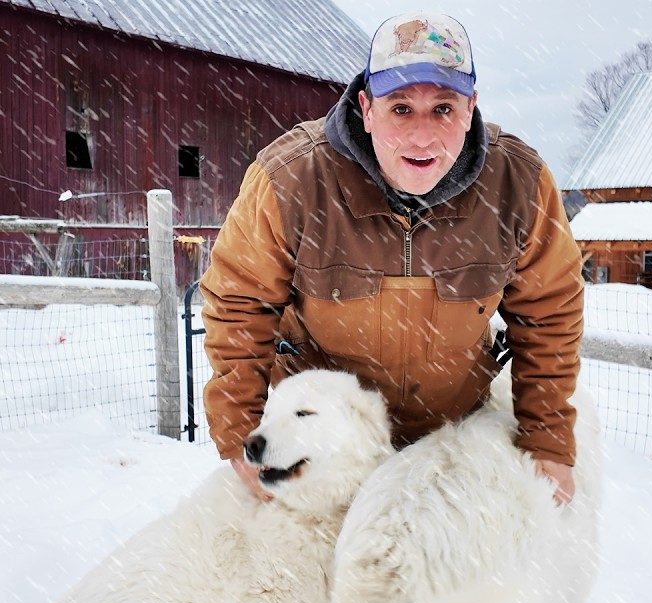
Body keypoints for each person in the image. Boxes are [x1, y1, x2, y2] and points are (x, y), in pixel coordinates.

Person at [200, 11, 582, 505]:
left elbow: (549, 313)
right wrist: (239, 436)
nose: (422, 136)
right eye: (401, 108)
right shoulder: (291, 178)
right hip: (322, 449)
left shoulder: (518, 183)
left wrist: (547, 442)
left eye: (443, 108)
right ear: (366, 106)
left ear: (471, 108)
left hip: (452, 436)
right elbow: (239, 305)